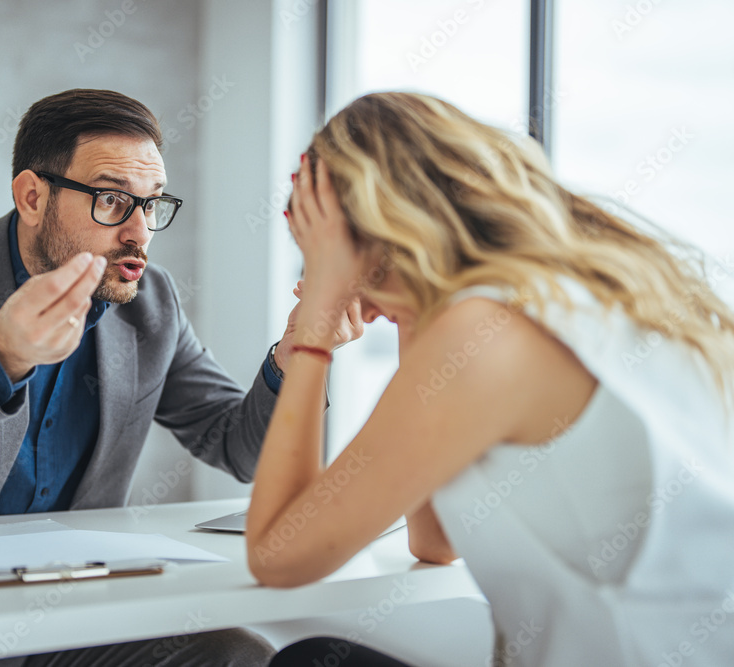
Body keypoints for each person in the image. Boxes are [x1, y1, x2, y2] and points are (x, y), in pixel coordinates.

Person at [0, 89, 361, 667]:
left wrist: (297, 356)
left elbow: (243, 449)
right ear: (32, 197)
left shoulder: (149, 302)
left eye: (150, 204)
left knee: (238, 655)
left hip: (71, 622)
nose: (140, 234)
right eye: (111, 200)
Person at [246, 92, 734, 666]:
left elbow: (278, 555)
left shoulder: (488, 333)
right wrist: (411, 310)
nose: (362, 303)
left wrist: (315, 329)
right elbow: (435, 542)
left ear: (378, 235)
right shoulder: (588, 293)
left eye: (326, 257)